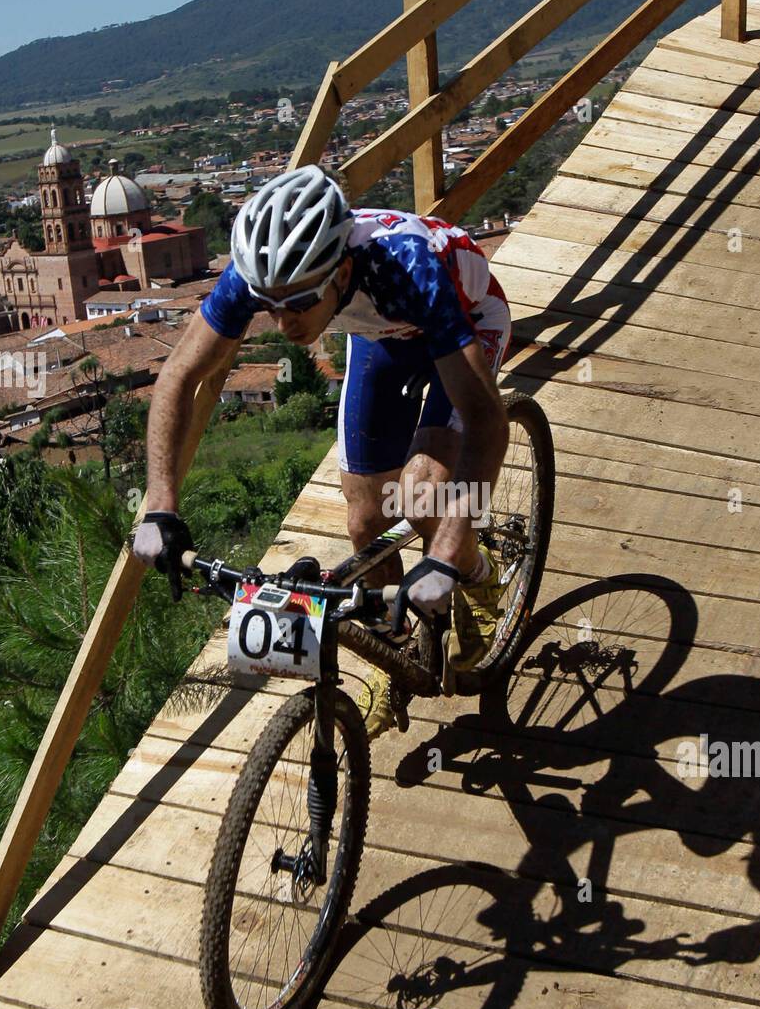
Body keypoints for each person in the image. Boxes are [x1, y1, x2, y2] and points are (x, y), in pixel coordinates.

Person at [132, 164, 511, 737]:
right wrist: (159, 502)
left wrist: (447, 553)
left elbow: (486, 421)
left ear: (342, 270)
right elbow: (179, 376)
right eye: (270, 307)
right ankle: (397, 654)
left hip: (463, 322)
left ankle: (481, 575)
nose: (283, 323)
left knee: (422, 495)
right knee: (364, 522)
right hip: (380, 334)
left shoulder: (408, 266)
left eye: (299, 304)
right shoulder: (261, 274)